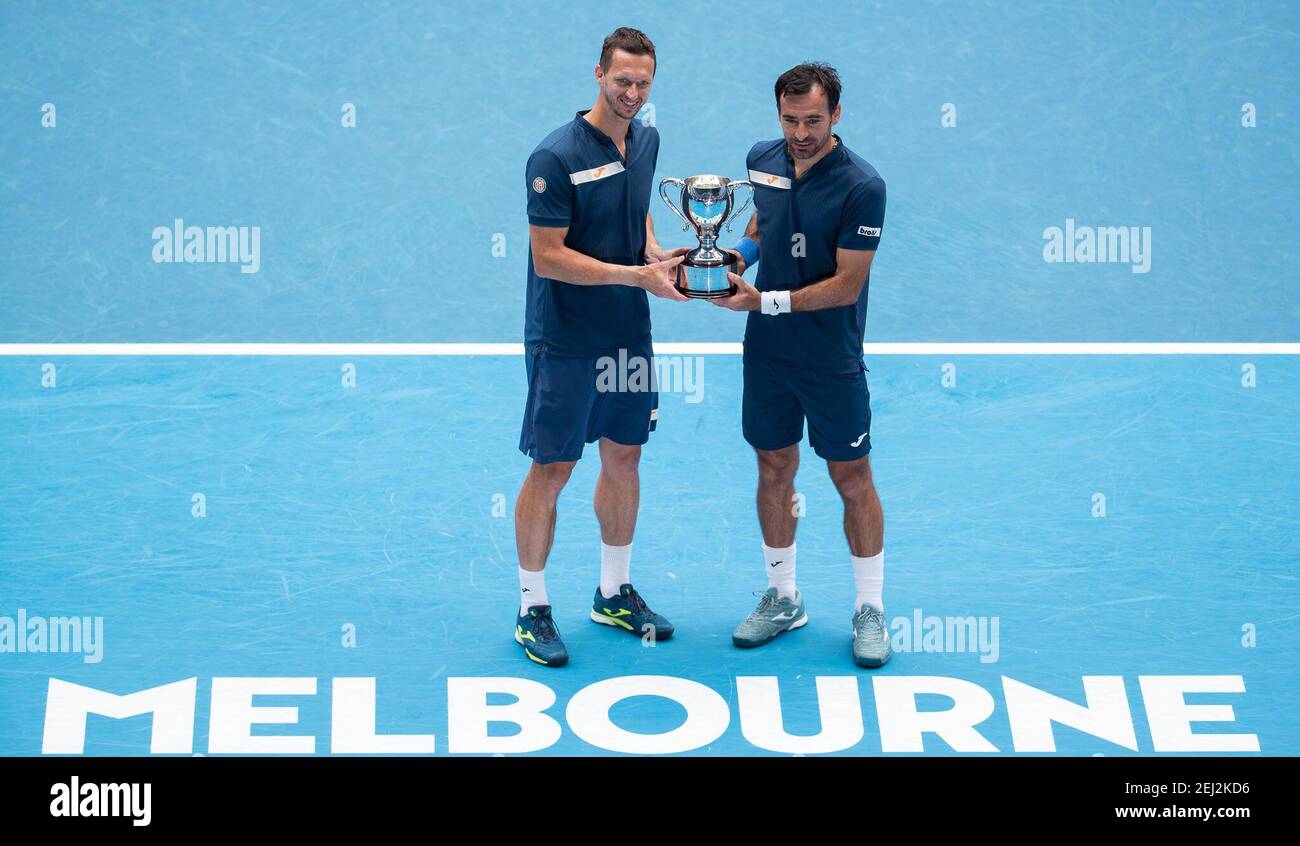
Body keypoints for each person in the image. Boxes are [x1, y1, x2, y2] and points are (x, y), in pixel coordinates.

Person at [513, 27, 687, 667]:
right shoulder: (553, 159)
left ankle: (613, 591)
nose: (633, 93)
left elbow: (636, 203)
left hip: (627, 334)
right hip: (566, 337)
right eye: (623, 81)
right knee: (552, 469)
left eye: (643, 83)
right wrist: (631, 276)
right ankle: (533, 607)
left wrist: (650, 251)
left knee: (624, 456)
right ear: (597, 74)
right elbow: (549, 258)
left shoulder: (646, 140)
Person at [712, 62, 892, 667]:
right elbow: (765, 224)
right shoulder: (763, 158)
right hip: (768, 356)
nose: (801, 133)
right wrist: (729, 255)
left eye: (813, 120)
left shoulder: (863, 186)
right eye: (790, 120)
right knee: (773, 470)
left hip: (830, 359)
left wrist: (764, 301)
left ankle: (869, 609)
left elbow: (846, 284)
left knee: (851, 479)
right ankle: (783, 597)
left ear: (836, 115)